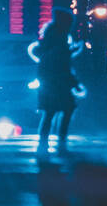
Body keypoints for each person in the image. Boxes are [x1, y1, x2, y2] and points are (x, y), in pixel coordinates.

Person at [31, 9, 81, 156]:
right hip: (58, 85)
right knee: (64, 110)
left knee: (50, 113)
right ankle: (60, 142)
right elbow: (64, 66)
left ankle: (44, 143)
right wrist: (75, 84)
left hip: (49, 84)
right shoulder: (61, 40)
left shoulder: (51, 36)